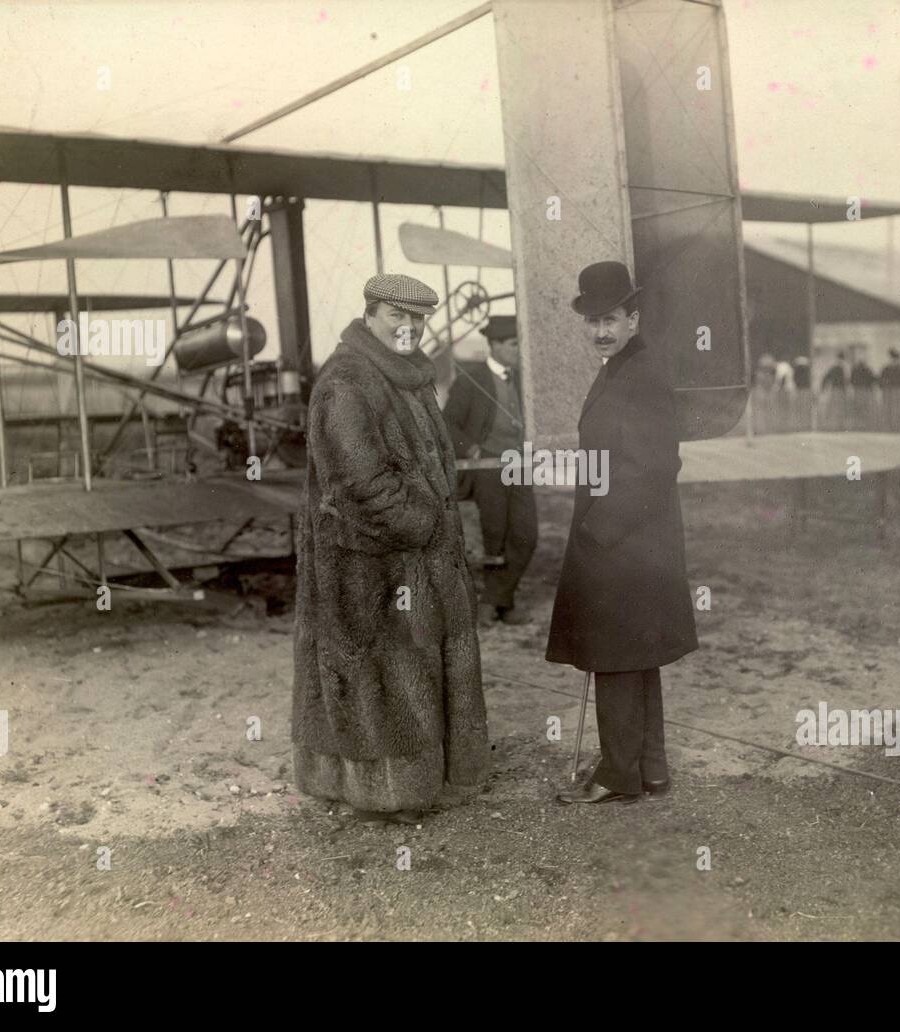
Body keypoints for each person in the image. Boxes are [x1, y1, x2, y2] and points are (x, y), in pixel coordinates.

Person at [291, 273, 489, 819]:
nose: (409, 327)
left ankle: (416, 778)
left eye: (418, 318)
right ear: (371, 315)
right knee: (381, 676)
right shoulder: (348, 380)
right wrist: (420, 523)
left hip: (411, 560)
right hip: (368, 564)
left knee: (410, 673)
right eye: (397, 316)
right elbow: (360, 481)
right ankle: (386, 791)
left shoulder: (406, 376)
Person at [547, 261, 698, 805]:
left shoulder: (644, 374)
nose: (600, 331)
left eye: (610, 318)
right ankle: (649, 768)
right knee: (636, 654)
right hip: (630, 537)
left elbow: (658, 465)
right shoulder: (619, 367)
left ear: (633, 317)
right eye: (592, 321)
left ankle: (616, 775)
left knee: (614, 654)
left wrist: (599, 530)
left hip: (626, 539)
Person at [443, 315, 538, 625]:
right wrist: (472, 448)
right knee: (494, 535)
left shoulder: (525, 379)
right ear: (495, 345)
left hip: (519, 467)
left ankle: (499, 597)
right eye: (513, 345)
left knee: (525, 534)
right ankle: (497, 603)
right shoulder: (471, 379)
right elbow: (447, 422)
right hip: (487, 470)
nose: (518, 351)